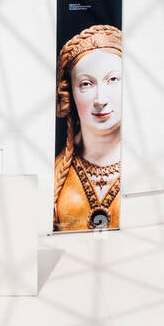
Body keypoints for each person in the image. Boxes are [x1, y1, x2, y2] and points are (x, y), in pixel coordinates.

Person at [54, 25, 122, 231]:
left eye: (113, 80)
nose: (100, 100)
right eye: (86, 84)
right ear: (69, 94)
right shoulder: (56, 173)